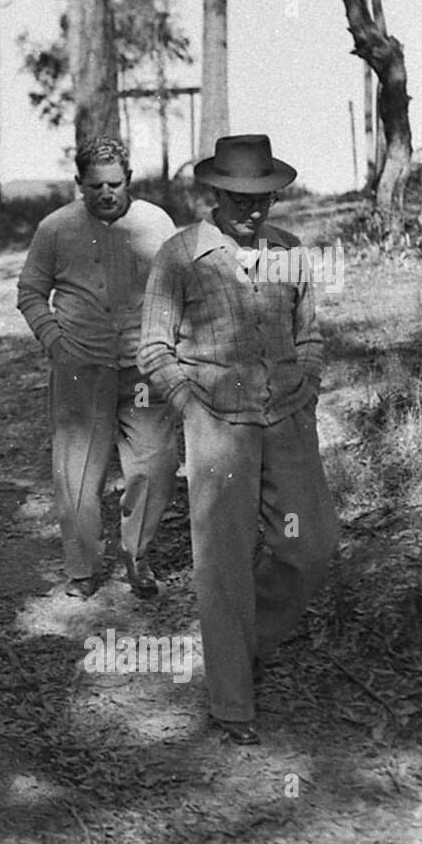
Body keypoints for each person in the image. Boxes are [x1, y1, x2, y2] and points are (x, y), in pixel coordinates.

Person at [139, 133, 338, 745]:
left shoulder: (290, 251)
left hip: (287, 418)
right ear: (215, 194)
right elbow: (153, 348)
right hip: (218, 425)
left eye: (264, 199)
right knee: (221, 564)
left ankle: (247, 641)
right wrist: (191, 402)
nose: (253, 211)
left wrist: (305, 381)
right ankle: (232, 703)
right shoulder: (180, 255)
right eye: (239, 199)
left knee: (312, 544)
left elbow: (310, 331)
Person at [16, 136, 180, 599]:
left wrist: (167, 344)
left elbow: (180, 288)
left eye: (115, 184)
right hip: (80, 364)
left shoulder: (155, 223)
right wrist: (55, 342)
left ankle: (137, 555)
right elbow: (30, 291)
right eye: (94, 186)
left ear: (129, 179)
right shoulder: (55, 228)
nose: (106, 194)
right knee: (77, 469)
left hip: (142, 366)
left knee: (155, 461)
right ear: (79, 184)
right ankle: (82, 568)